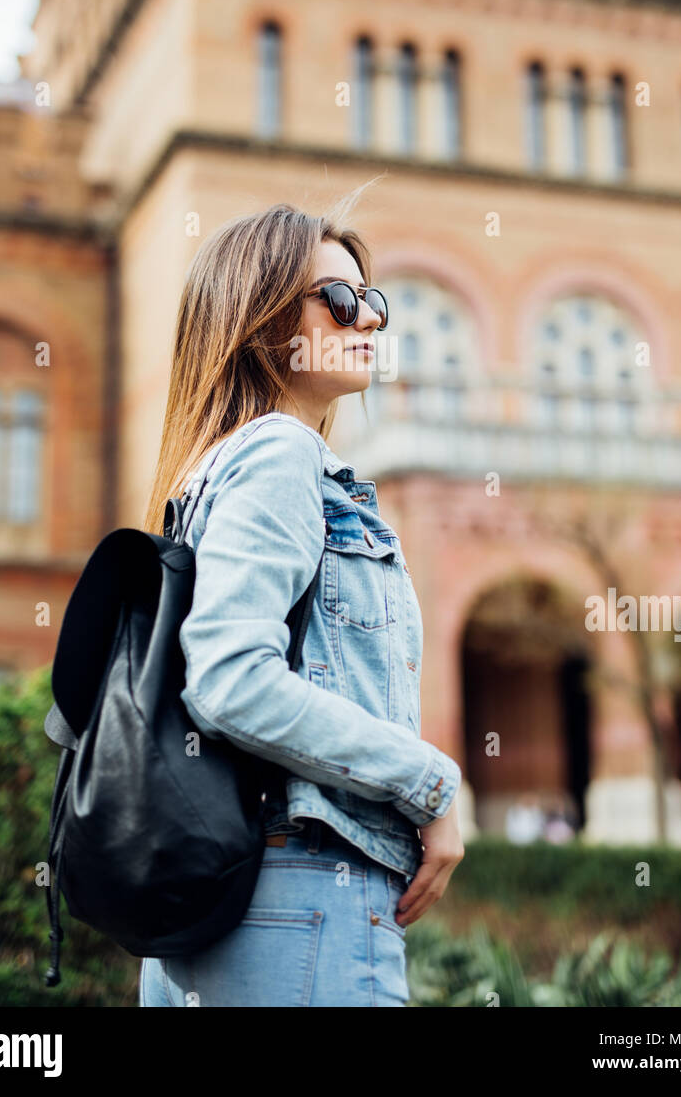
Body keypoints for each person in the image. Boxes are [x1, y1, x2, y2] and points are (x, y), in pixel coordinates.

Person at [138, 194, 464, 1007]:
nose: (369, 323)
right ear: (263, 316)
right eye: (341, 301)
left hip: (229, 907)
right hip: (302, 895)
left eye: (373, 302)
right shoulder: (282, 454)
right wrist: (429, 782)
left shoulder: (216, 468)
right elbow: (229, 680)